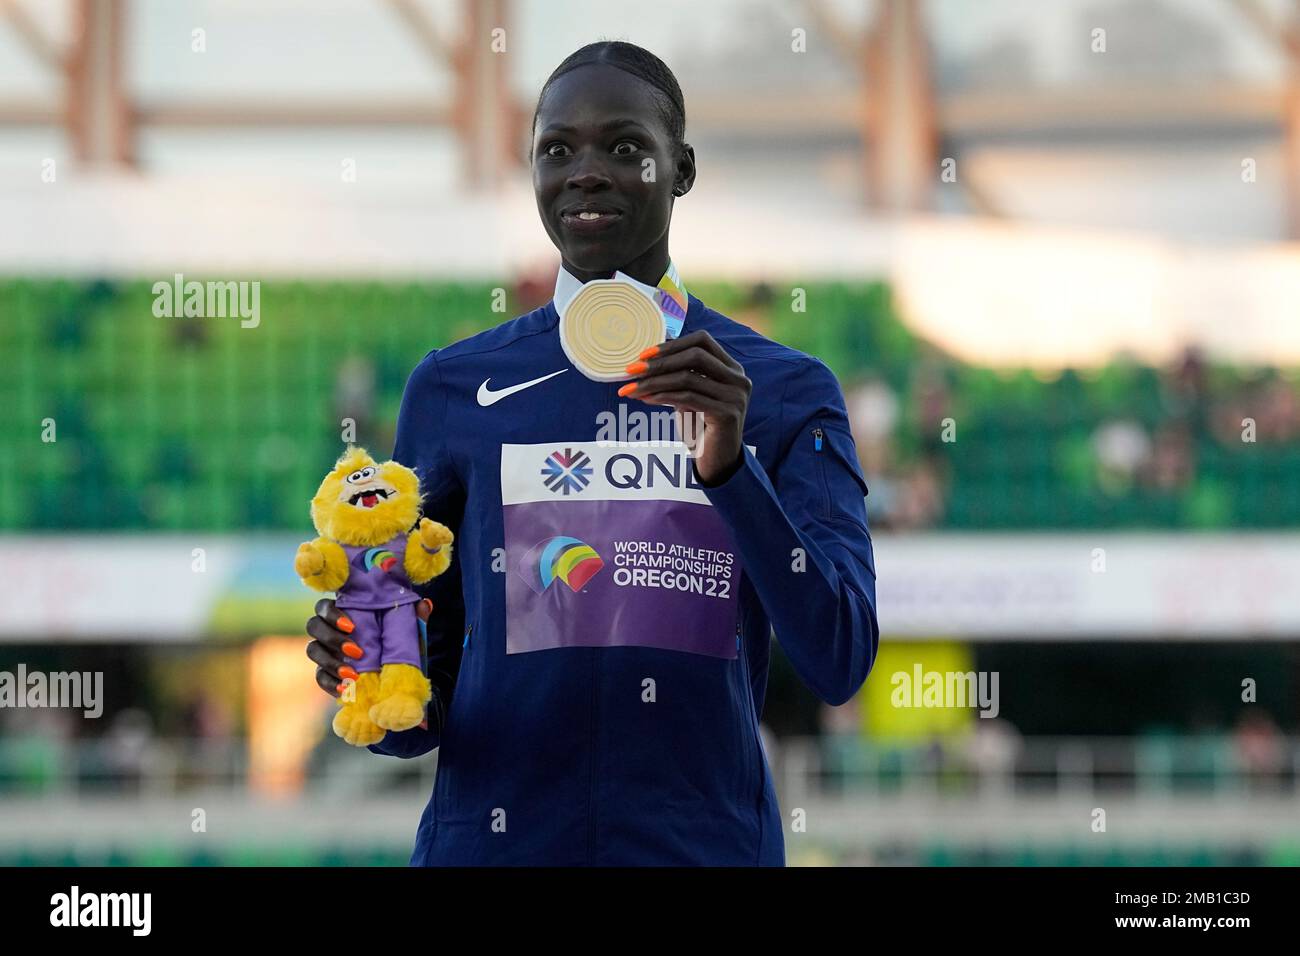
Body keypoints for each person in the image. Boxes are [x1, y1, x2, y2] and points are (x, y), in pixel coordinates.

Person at [306, 40, 879, 866]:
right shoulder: (456, 387)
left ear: (679, 169)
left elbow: (840, 658)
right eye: (556, 149)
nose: (585, 171)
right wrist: (363, 661)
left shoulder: (782, 390)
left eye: (624, 147)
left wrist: (729, 470)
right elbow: (412, 723)